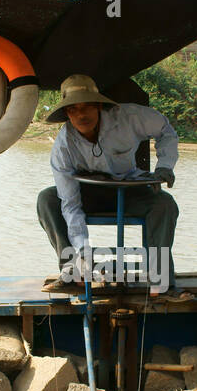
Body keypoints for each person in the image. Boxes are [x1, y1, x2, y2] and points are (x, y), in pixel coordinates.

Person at [36, 74, 179, 290]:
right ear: (67, 113)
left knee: (164, 204)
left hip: (129, 190)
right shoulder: (63, 146)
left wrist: (165, 165)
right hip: (88, 195)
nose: (81, 115)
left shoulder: (129, 117)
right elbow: (70, 204)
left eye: (87, 107)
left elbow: (166, 130)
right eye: (74, 109)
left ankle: (160, 281)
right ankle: (72, 272)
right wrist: (84, 252)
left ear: (99, 106)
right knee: (47, 199)